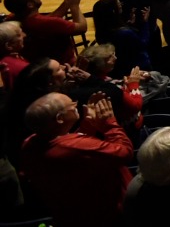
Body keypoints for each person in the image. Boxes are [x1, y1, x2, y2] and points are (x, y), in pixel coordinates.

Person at [19, 92, 134, 227]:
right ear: (60, 118)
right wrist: (110, 124)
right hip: (106, 214)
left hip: (71, 215)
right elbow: (124, 152)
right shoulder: (73, 147)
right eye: (73, 105)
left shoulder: (29, 144)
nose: (76, 106)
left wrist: (89, 124)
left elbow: (74, 148)